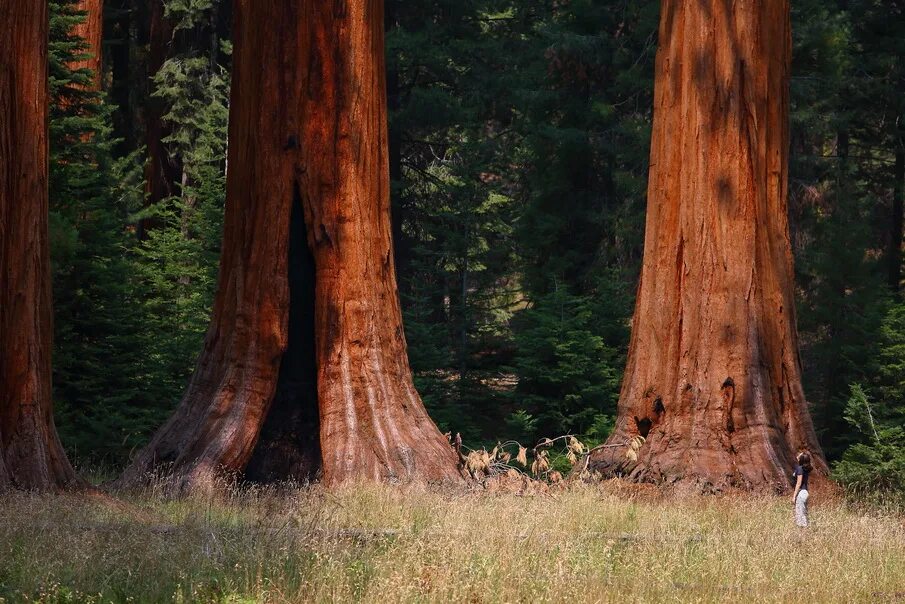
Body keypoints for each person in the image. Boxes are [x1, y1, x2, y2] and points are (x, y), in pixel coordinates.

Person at [792, 451, 813, 528]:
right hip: (805, 493)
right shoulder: (804, 468)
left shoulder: (800, 469)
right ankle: (804, 531)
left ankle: (803, 533)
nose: (797, 456)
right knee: (803, 512)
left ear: (801, 459)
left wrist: (794, 496)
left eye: (799, 456)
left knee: (800, 514)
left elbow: (798, 483)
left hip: (801, 493)